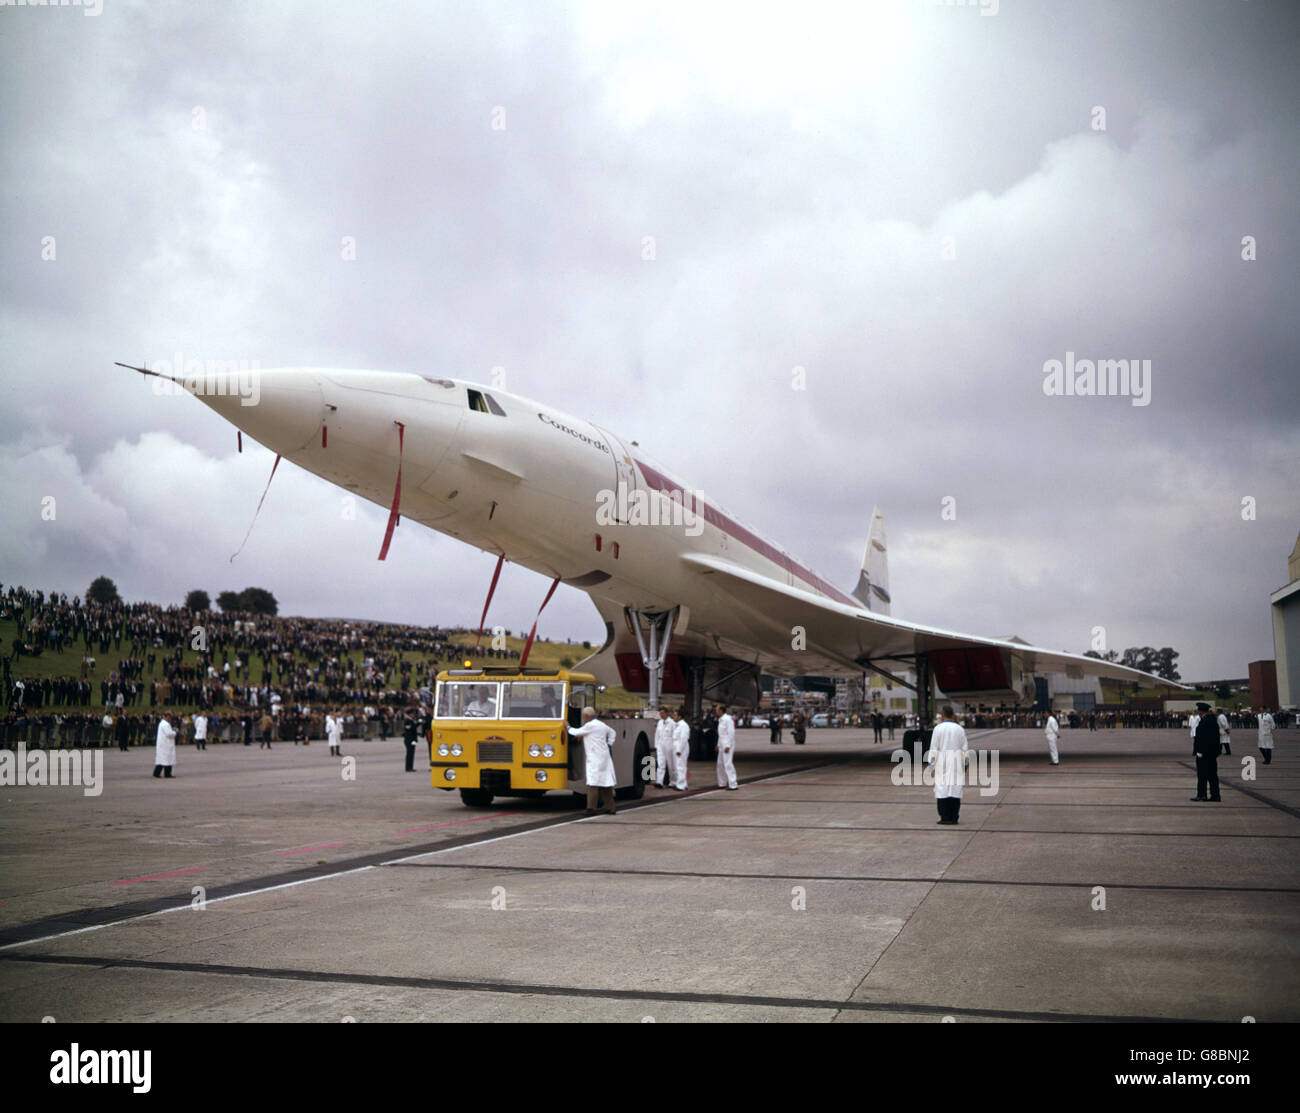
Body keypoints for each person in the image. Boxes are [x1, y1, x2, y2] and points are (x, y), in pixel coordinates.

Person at [568, 706, 617, 815]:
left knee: (592, 782)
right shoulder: (601, 724)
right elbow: (613, 733)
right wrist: (609, 745)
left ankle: (591, 808)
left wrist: (567, 727)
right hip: (604, 756)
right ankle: (610, 807)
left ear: (585, 716)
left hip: (595, 757)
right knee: (606, 781)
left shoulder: (589, 726)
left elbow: (575, 732)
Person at [927, 705, 969, 824]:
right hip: (956, 762)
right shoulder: (959, 729)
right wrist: (965, 765)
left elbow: (933, 748)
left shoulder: (938, 729)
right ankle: (954, 817)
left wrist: (931, 765)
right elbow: (965, 748)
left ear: (942, 715)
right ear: (953, 715)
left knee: (942, 789)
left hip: (942, 762)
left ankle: (945, 817)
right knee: (955, 789)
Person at [1190, 701, 1221, 802]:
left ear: (1201, 711)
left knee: (1203, 775)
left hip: (1205, 754)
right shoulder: (1210, 720)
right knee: (1211, 775)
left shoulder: (1207, 721)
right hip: (1210, 753)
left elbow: (1205, 738)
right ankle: (1214, 795)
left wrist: (1200, 751)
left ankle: (1202, 794)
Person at [715, 704, 737, 790]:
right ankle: (722, 783)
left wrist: (728, 745)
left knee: (728, 764)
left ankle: (733, 784)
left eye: (717, 710)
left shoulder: (728, 719)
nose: (716, 711)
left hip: (727, 744)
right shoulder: (721, 720)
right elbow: (721, 735)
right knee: (720, 764)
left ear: (721, 710)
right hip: (721, 744)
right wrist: (718, 744)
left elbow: (731, 733)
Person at [671, 706, 690, 790]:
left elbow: (683, 739)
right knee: (679, 766)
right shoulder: (678, 725)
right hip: (677, 747)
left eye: (675, 715)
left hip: (681, 748)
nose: (673, 717)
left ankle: (681, 785)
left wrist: (679, 750)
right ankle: (683, 784)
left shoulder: (683, 725)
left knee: (680, 766)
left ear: (680, 717)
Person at [653, 707, 673, 787]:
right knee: (661, 764)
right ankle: (659, 782)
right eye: (660, 713)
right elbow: (657, 735)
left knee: (671, 764)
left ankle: (672, 781)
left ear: (666, 713)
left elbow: (674, 735)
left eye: (662, 713)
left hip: (669, 744)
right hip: (661, 745)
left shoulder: (671, 723)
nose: (661, 715)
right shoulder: (660, 722)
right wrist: (656, 745)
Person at [153, 711, 177, 778]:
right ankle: (167, 774)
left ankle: (156, 773)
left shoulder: (162, 723)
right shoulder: (165, 724)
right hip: (166, 745)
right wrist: (175, 732)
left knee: (161, 760)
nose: (171, 719)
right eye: (170, 717)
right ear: (167, 716)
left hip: (163, 744)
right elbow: (168, 733)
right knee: (167, 760)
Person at [402, 706, 419, 771]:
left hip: (411, 739)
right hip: (409, 740)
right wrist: (413, 740)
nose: (413, 715)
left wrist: (418, 723)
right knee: (409, 754)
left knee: (411, 754)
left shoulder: (411, 720)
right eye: (412, 714)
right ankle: (408, 767)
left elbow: (413, 727)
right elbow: (408, 731)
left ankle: (410, 767)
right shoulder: (407, 721)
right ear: (410, 714)